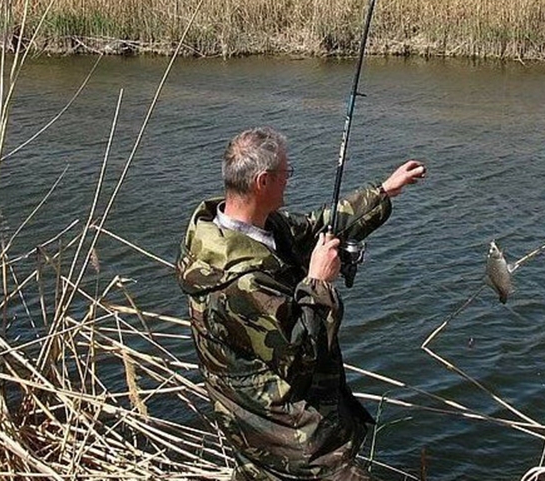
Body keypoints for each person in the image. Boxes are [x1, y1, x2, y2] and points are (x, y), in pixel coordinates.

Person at [177, 126, 425, 480]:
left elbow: (317, 228)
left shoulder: (249, 229)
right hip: (286, 438)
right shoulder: (241, 282)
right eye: (285, 174)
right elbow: (304, 354)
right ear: (263, 181)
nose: (289, 182)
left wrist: (384, 191)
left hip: (260, 428)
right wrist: (319, 282)